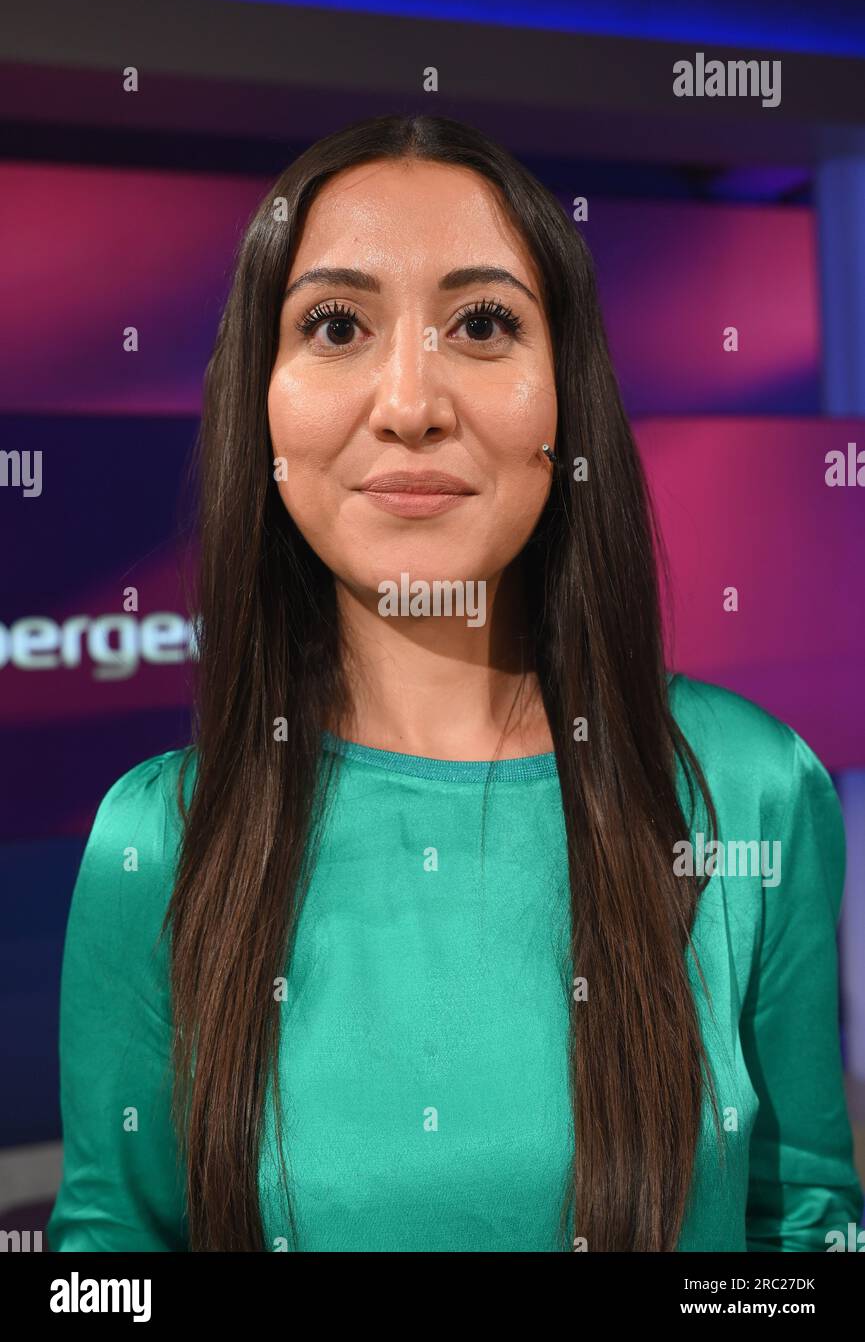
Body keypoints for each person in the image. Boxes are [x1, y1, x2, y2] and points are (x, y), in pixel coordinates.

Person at [47, 113, 863, 1252]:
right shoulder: (157, 836)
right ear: (260, 401)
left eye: (483, 323)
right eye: (335, 325)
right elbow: (112, 1246)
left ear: (564, 391)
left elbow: (807, 1218)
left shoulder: (749, 786)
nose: (411, 403)